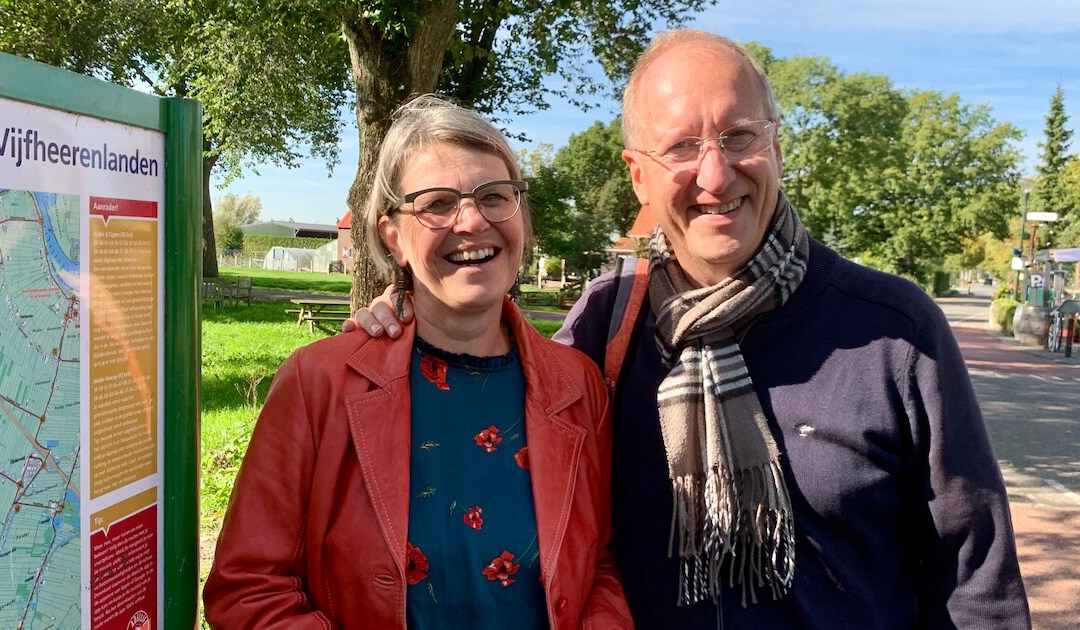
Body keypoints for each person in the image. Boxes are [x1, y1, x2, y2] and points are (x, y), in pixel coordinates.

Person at [345, 30, 1031, 629]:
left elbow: (977, 582)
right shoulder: (605, 324)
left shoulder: (895, 333)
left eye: (739, 136)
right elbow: (496, 417)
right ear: (639, 177)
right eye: (681, 147)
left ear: (777, 145)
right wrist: (412, 314)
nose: (715, 172)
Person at [203, 95, 633, 629]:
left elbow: (601, 567)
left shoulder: (577, 385)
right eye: (437, 204)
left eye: (495, 196)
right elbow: (248, 591)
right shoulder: (321, 383)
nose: (472, 221)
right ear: (393, 237)